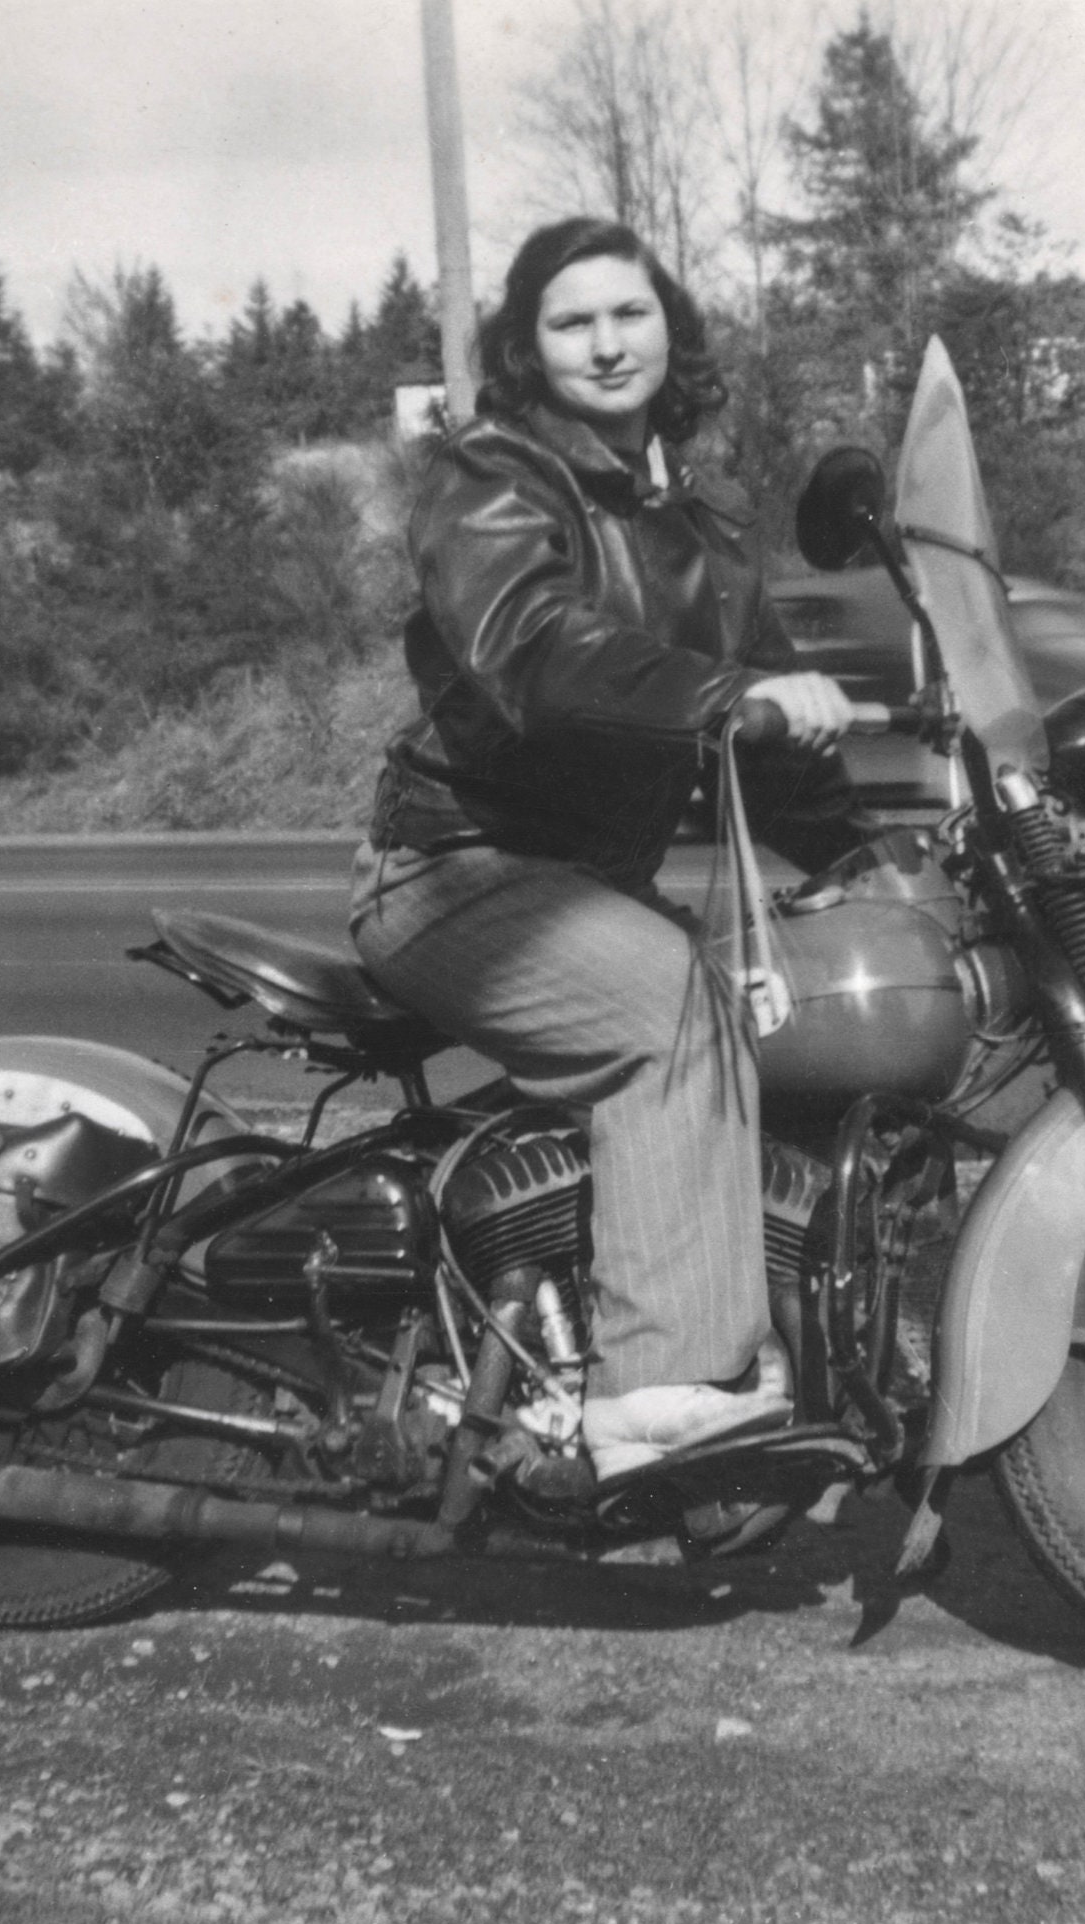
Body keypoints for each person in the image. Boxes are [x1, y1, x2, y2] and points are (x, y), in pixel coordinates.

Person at [350, 216, 880, 1481]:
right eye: (571, 321)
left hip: (583, 881)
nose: (606, 342)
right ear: (530, 353)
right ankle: (655, 1400)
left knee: (791, 999)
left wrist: (877, 850)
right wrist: (715, 696)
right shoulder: (492, 476)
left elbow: (774, 737)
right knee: (671, 1006)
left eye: (628, 313)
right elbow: (534, 645)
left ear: (668, 327)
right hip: (457, 871)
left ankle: (733, 1321)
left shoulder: (700, 528)